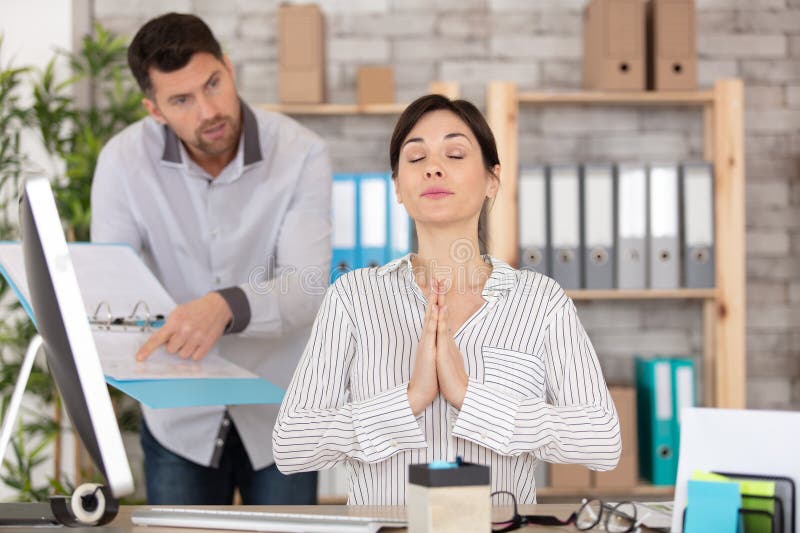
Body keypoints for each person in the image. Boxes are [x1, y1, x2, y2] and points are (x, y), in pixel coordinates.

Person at [273, 94, 621, 505]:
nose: (433, 167)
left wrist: (470, 397)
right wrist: (409, 400)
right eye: (416, 158)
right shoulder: (353, 297)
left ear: (493, 179)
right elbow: (291, 444)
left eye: (454, 154)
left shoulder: (541, 301)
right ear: (398, 187)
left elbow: (602, 441)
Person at [91, 13, 330, 505]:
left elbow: (306, 288)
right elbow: (110, 290)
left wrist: (223, 306)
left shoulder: (303, 153)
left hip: (282, 409)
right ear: (154, 110)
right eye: (181, 100)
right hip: (179, 416)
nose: (208, 110)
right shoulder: (121, 162)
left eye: (213, 84)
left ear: (229, 66)